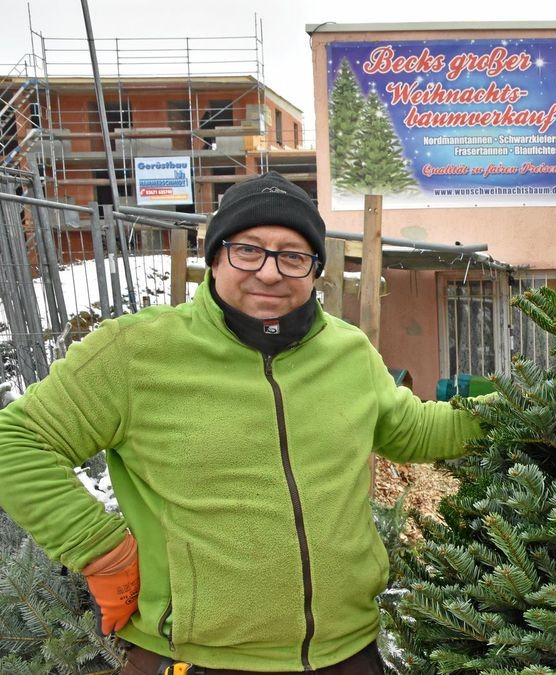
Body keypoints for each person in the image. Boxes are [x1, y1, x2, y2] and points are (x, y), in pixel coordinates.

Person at [0, 172, 488, 673]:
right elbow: (16, 441)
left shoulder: (347, 350)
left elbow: (412, 430)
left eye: (293, 256)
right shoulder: (136, 353)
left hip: (348, 653)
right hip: (197, 659)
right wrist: (100, 549)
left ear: (314, 269)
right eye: (248, 250)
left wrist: (523, 403)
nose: (271, 272)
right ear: (214, 257)